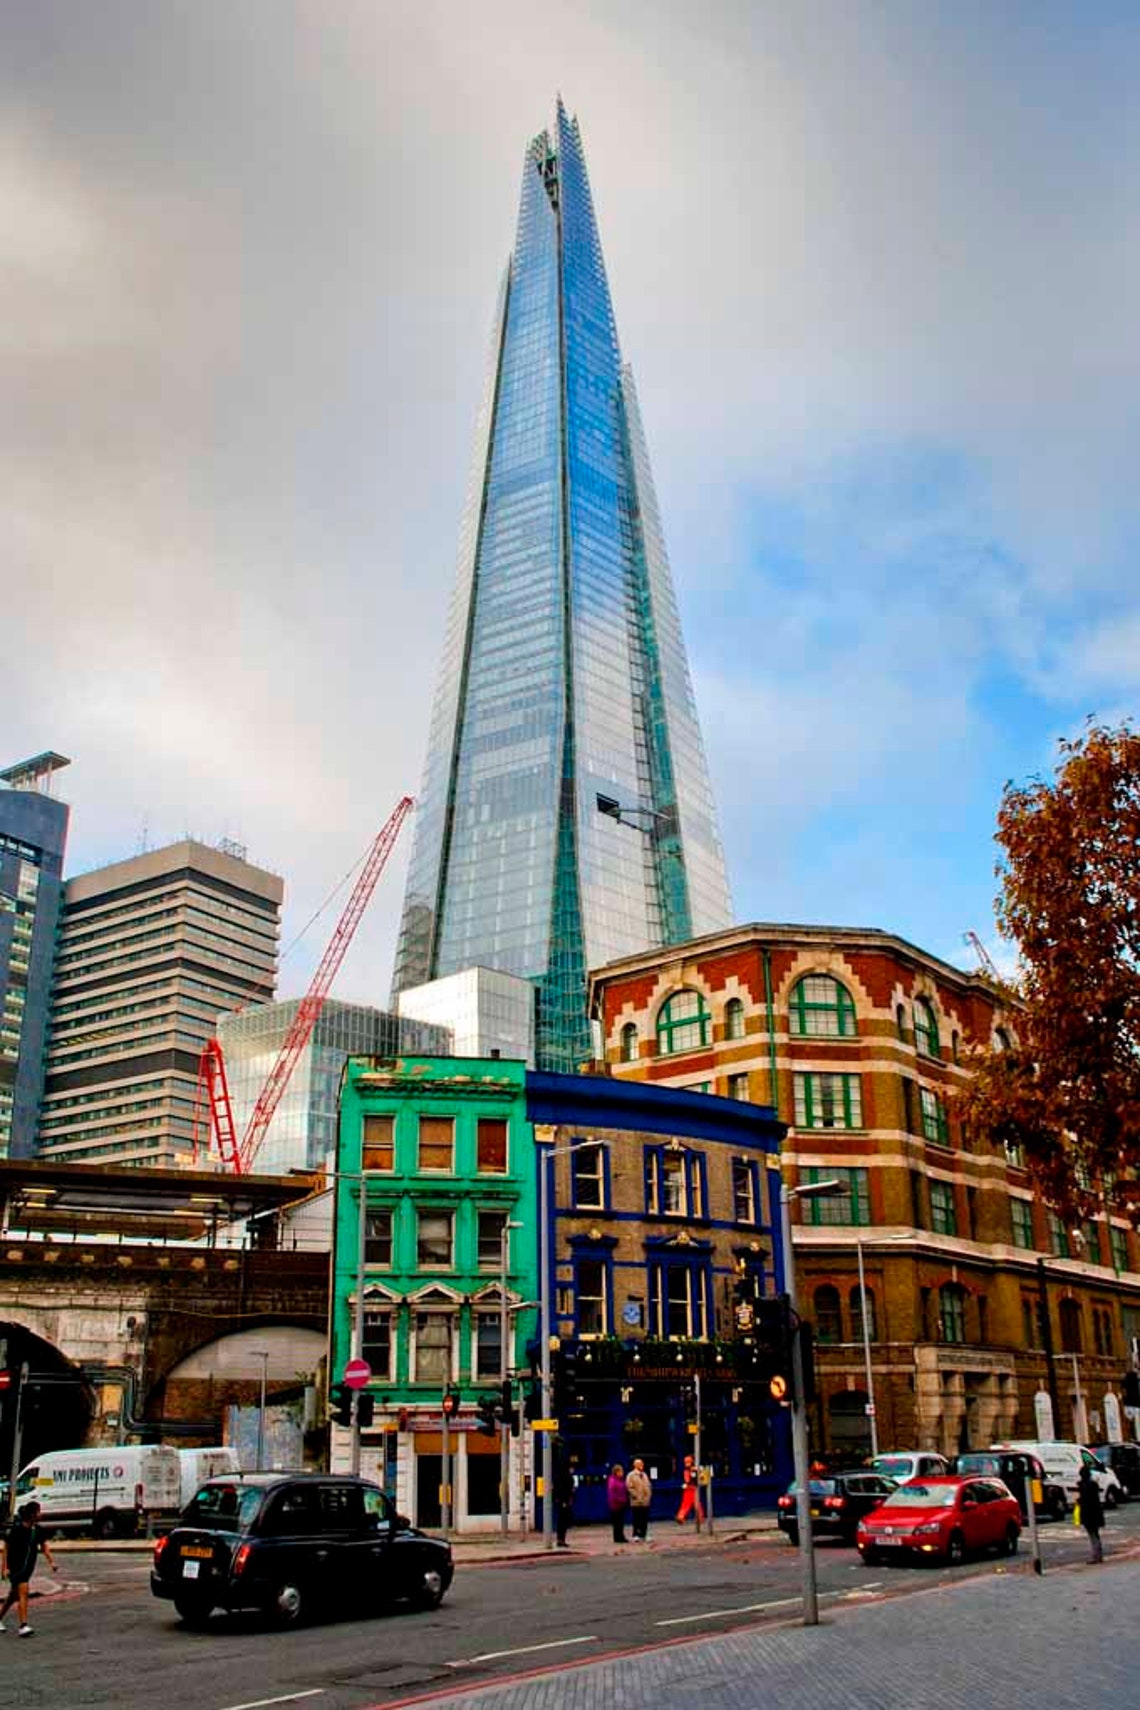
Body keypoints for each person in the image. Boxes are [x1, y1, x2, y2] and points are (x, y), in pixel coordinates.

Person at [0, 1502, 59, 1636]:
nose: (40, 1514)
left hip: (28, 1568)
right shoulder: (17, 1529)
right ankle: (23, 1625)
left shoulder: (38, 1530)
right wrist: (4, 1568)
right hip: (15, 1568)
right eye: (38, 1511)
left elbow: (44, 1547)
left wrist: (51, 1562)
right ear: (32, 1514)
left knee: (13, 1596)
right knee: (24, 1592)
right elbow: (6, 1549)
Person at [1077, 1463, 1105, 1564]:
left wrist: (1079, 1501)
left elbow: (1084, 1500)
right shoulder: (1093, 1485)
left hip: (1088, 1514)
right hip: (1096, 1513)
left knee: (1092, 1535)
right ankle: (1098, 1556)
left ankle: (1095, 1556)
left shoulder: (1084, 1486)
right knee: (1095, 1534)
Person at [553, 1455, 577, 1549]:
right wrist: (565, 1500)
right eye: (571, 1467)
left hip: (563, 1501)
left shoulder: (560, 1476)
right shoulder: (566, 1477)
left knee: (562, 1520)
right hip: (564, 1501)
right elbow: (565, 1490)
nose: (572, 1469)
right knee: (563, 1520)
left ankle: (561, 1539)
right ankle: (561, 1539)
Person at [626, 1458, 652, 1542]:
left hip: (645, 1501)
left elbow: (648, 1486)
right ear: (635, 1465)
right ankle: (636, 1535)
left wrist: (648, 1496)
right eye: (640, 1464)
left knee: (644, 1519)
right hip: (636, 1502)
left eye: (642, 1464)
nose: (642, 1465)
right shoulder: (631, 1475)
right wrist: (636, 1496)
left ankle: (644, 1534)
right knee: (636, 1519)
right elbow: (629, 1487)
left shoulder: (644, 1474)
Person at [676, 1455, 704, 1525]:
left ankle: (681, 1516)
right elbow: (694, 1479)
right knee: (695, 1503)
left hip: (689, 1488)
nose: (687, 1463)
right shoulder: (692, 1470)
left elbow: (690, 1479)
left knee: (687, 1504)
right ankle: (699, 1517)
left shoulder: (689, 1470)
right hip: (692, 1488)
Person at [606, 1463, 630, 1543]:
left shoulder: (621, 1480)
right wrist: (619, 1500)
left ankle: (621, 1536)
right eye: (621, 1471)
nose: (622, 1473)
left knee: (621, 1522)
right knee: (617, 1522)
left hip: (622, 1503)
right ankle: (617, 1537)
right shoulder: (612, 1480)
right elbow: (612, 1493)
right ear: (616, 1472)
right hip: (616, 1505)